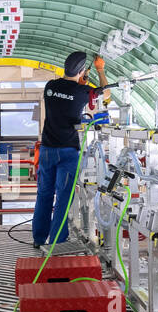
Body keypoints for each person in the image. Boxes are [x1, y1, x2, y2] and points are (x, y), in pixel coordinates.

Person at [31, 50, 106, 248]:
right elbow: (105, 93)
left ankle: (38, 238)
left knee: (44, 194)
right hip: (68, 151)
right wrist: (100, 70)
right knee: (63, 196)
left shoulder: (50, 86)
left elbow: (66, 95)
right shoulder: (83, 92)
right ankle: (57, 240)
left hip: (47, 148)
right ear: (82, 71)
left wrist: (81, 81)